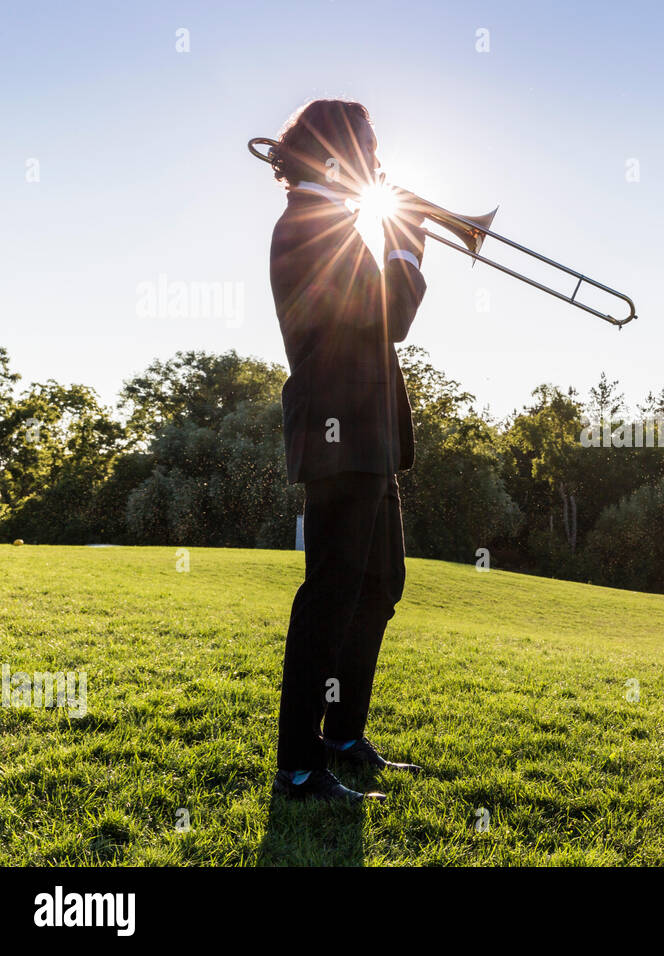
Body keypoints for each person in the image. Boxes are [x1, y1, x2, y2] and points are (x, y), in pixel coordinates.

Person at [265, 99, 430, 803]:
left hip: (370, 438)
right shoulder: (308, 225)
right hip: (340, 436)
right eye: (367, 147)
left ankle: (341, 734)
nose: (377, 162)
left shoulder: (332, 221)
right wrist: (407, 238)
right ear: (335, 155)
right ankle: (300, 767)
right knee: (330, 597)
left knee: (377, 587)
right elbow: (386, 316)